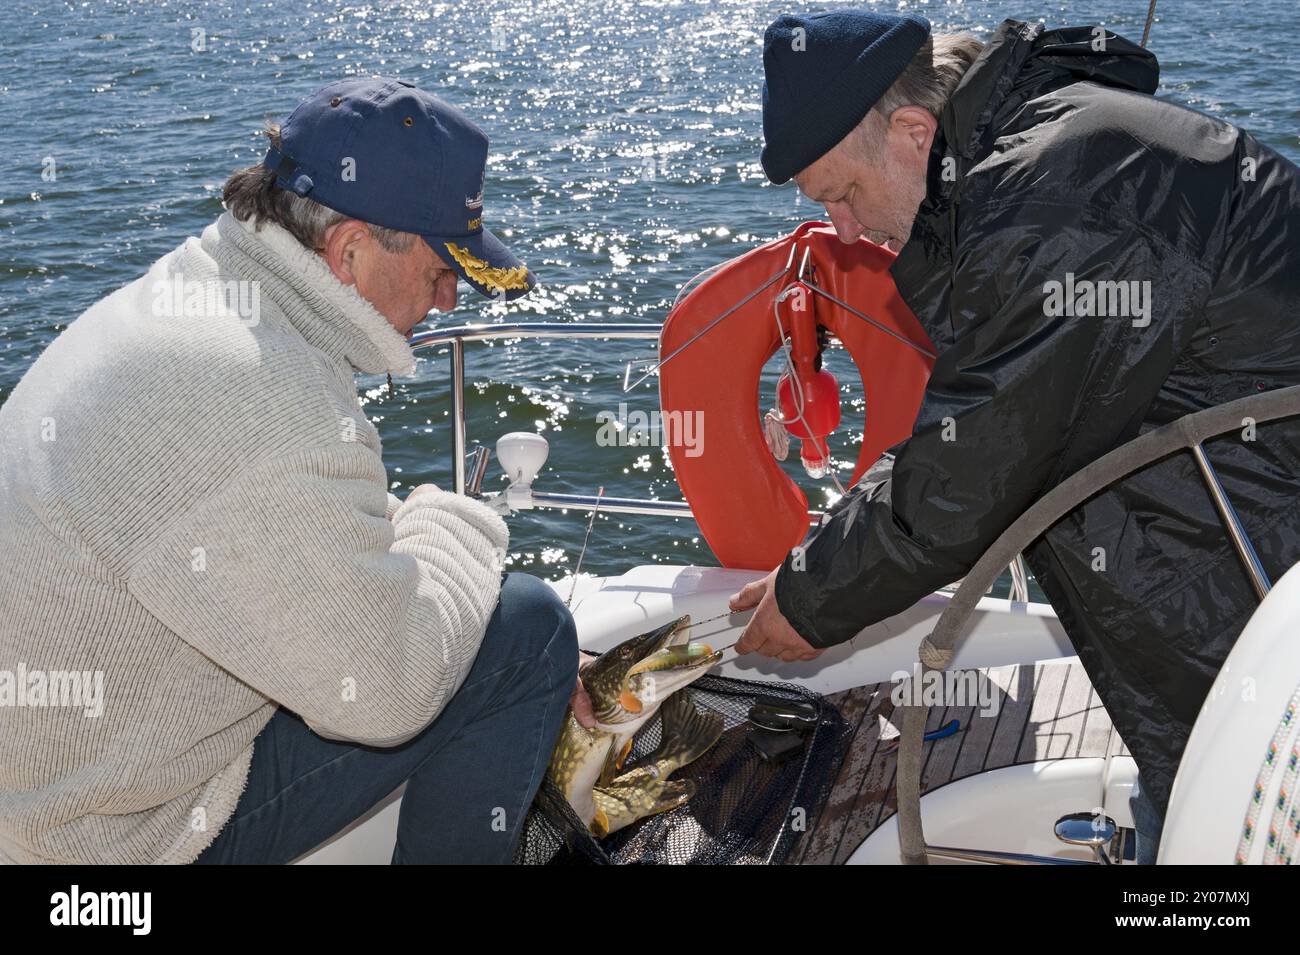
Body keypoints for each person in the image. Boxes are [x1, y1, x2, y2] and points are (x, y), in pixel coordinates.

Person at [729, 11, 1300, 863]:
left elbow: (975, 470)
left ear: (913, 132)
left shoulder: (1059, 196)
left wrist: (811, 598)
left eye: (841, 194)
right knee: (1177, 802)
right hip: (1233, 537)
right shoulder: (1034, 160)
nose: (842, 232)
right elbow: (990, 420)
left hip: (1264, 576)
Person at [0, 77, 594, 864]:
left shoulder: (190, 298)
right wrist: (455, 521)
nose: (451, 299)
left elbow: (269, 510)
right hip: (98, 848)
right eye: (440, 268)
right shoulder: (266, 393)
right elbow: (390, 694)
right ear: (348, 250)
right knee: (523, 630)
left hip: (47, 790)